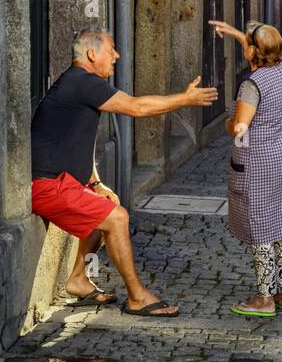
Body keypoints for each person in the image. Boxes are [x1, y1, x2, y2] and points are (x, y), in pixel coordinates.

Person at [30, 27, 218, 317]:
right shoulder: (84, 82)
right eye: (111, 49)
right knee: (117, 218)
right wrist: (184, 99)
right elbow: (136, 107)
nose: (117, 55)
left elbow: (74, 140)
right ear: (92, 54)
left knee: (109, 204)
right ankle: (137, 298)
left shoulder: (80, 83)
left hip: (63, 183)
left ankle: (79, 279)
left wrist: (95, 182)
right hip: (49, 187)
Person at [211, 20, 282, 318]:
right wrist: (239, 36)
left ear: (251, 52)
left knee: (259, 228)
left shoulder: (252, 85)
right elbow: (260, 50)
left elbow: (239, 128)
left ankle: (264, 298)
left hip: (256, 164)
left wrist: (227, 123)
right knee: (278, 225)